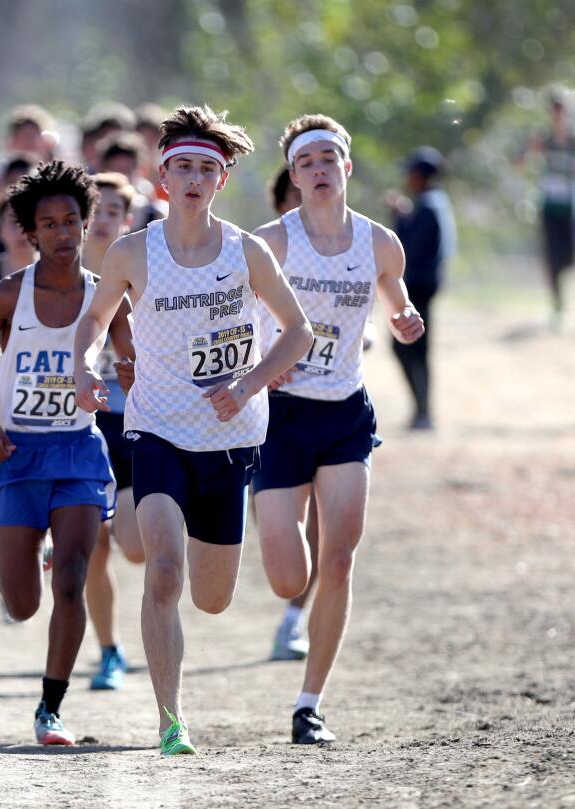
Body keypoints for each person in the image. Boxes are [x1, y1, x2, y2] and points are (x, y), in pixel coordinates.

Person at [73, 105, 312, 754]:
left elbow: (298, 331)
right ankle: (169, 718)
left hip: (231, 438)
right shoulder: (131, 252)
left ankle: (174, 692)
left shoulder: (246, 251)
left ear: (221, 181)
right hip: (155, 432)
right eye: (183, 166)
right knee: (163, 572)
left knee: (210, 597)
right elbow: (93, 322)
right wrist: (87, 367)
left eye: (208, 168)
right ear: (162, 176)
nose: (194, 178)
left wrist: (247, 383)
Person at [251, 115, 425, 745]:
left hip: (345, 413)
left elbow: (396, 298)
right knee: (287, 577)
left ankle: (309, 704)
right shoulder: (271, 243)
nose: (320, 170)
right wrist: (253, 370)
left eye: (330, 159)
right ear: (293, 177)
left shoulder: (380, 243)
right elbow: (236, 316)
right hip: (280, 416)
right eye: (307, 163)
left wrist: (404, 320)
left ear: (346, 168)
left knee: (340, 559)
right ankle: (272, 526)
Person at [0, 160, 129, 745]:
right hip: (16, 455)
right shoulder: (8, 297)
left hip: (78, 450)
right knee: (22, 602)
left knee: (73, 581)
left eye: (70, 221)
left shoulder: (108, 297)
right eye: (47, 224)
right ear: (31, 232)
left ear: (86, 225)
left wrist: (121, 377)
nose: (60, 233)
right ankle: (39, 548)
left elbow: (134, 361)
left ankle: (50, 708)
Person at [81, 172, 143, 691]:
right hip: (76, 422)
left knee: (134, 544)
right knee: (93, 544)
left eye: (111, 212)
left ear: (126, 221)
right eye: (93, 211)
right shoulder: (56, 278)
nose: (100, 221)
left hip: (130, 420)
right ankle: (109, 651)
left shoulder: (146, 273)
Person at [265, 166, 314, 661]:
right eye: (290, 200)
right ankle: (289, 594)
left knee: (324, 520)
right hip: (271, 409)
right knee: (283, 524)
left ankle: (294, 620)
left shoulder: (343, 248)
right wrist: (267, 363)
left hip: (331, 404)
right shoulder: (262, 253)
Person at [391, 147, 456, 430]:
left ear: (420, 175)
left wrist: (399, 217)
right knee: (414, 348)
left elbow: (409, 247)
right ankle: (422, 411)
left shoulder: (428, 206)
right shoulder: (436, 202)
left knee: (409, 346)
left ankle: (423, 411)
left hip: (418, 285)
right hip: (425, 283)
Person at [530, 93, 574, 329]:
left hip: (570, 208)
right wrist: (531, 149)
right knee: (552, 259)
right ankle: (558, 306)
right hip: (550, 206)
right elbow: (521, 160)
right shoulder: (544, 140)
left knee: (567, 257)